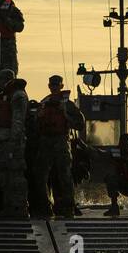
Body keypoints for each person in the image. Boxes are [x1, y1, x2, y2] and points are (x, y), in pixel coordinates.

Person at [32, 75, 86, 219]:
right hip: (45, 141)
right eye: (52, 85)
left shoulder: (68, 104)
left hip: (61, 141)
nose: (54, 87)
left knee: (65, 176)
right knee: (40, 175)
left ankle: (68, 208)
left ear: (61, 86)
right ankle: (45, 207)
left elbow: (80, 124)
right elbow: (36, 125)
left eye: (56, 85)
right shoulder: (45, 102)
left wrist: (65, 114)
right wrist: (38, 116)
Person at [0, 68, 28, 217]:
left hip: (12, 142)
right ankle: (8, 207)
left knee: (16, 176)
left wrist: (14, 143)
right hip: (1, 141)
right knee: (4, 176)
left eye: (0, 81)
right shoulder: (4, 95)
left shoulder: (18, 95)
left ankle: (20, 208)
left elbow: (17, 121)